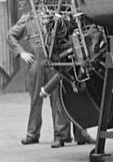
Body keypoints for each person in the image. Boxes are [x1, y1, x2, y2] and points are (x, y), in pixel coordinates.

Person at [7, 10, 92, 148]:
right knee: (35, 99)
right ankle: (32, 134)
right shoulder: (28, 19)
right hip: (36, 64)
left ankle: (61, 135)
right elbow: (11, 36)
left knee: (59, 100)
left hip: (55, 63)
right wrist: (21, 53)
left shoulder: (58, 17)